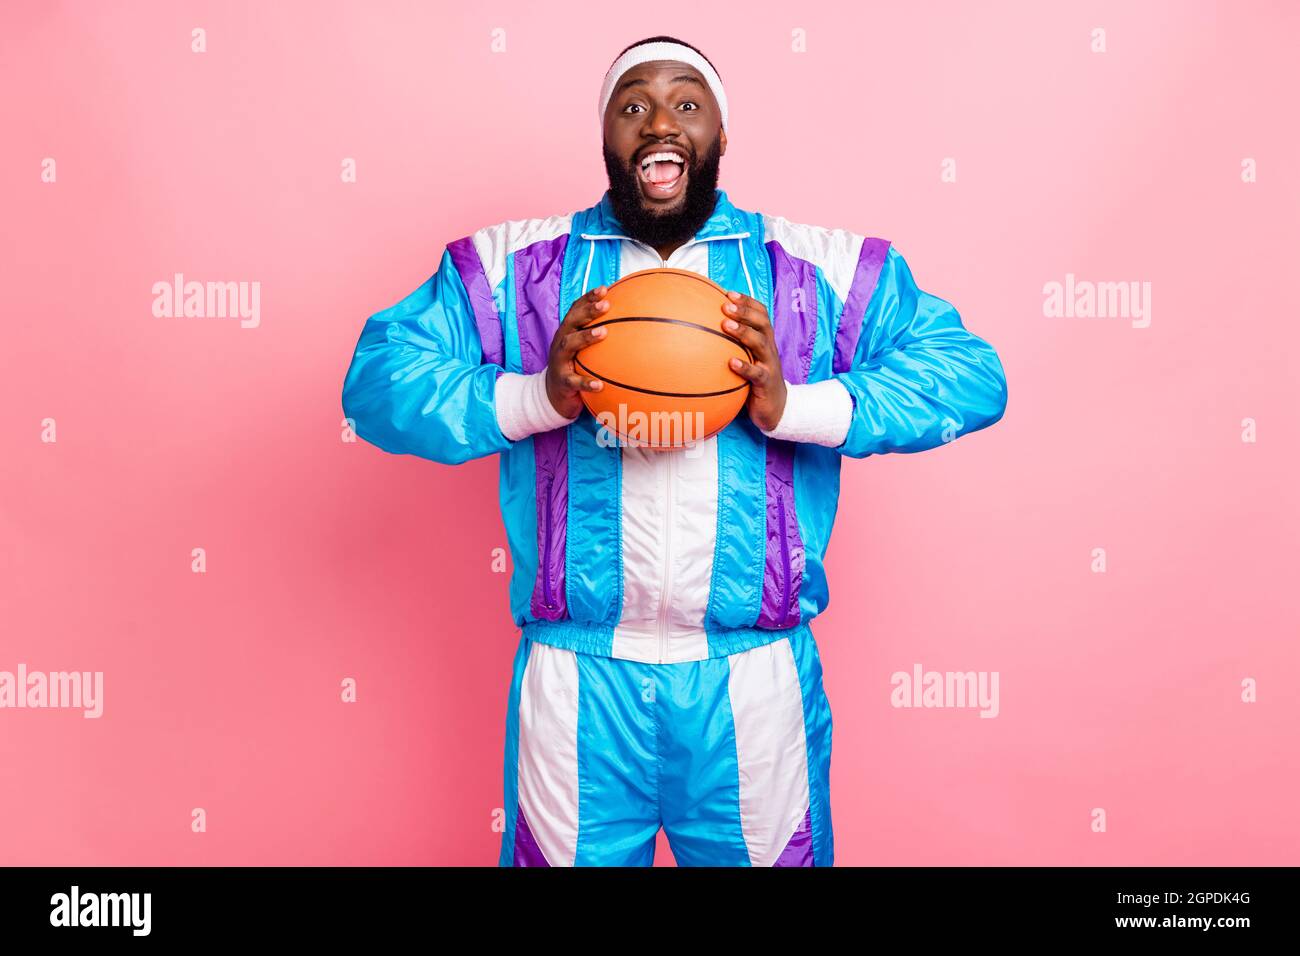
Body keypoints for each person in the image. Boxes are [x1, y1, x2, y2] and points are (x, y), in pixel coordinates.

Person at [341, 35, 1008, 866]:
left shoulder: (814, 269)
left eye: (687, 104)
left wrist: (793, 406)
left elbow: (972, 377)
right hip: (577, 681)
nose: (660, 122)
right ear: (607, 136)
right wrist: (536, 397)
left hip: (753, 681)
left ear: (721, 136)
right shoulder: (513, 267)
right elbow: (376, 381)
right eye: (634, 106)